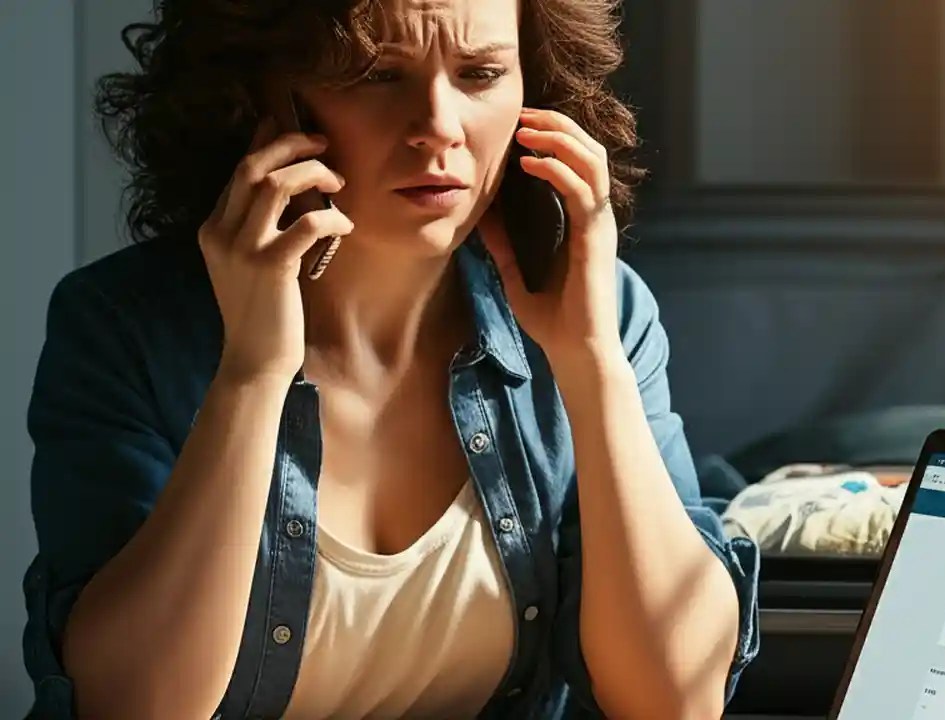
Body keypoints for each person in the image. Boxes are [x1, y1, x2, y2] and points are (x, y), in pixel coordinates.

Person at [20, 0, 760, 717]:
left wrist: (594, 364)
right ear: (260, 98)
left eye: (481, 75)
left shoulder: (602, 311)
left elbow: (675, 700)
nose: (438, 128)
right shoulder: (124, 324)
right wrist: (252, 376)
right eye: (377, 75)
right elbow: (132, 705)